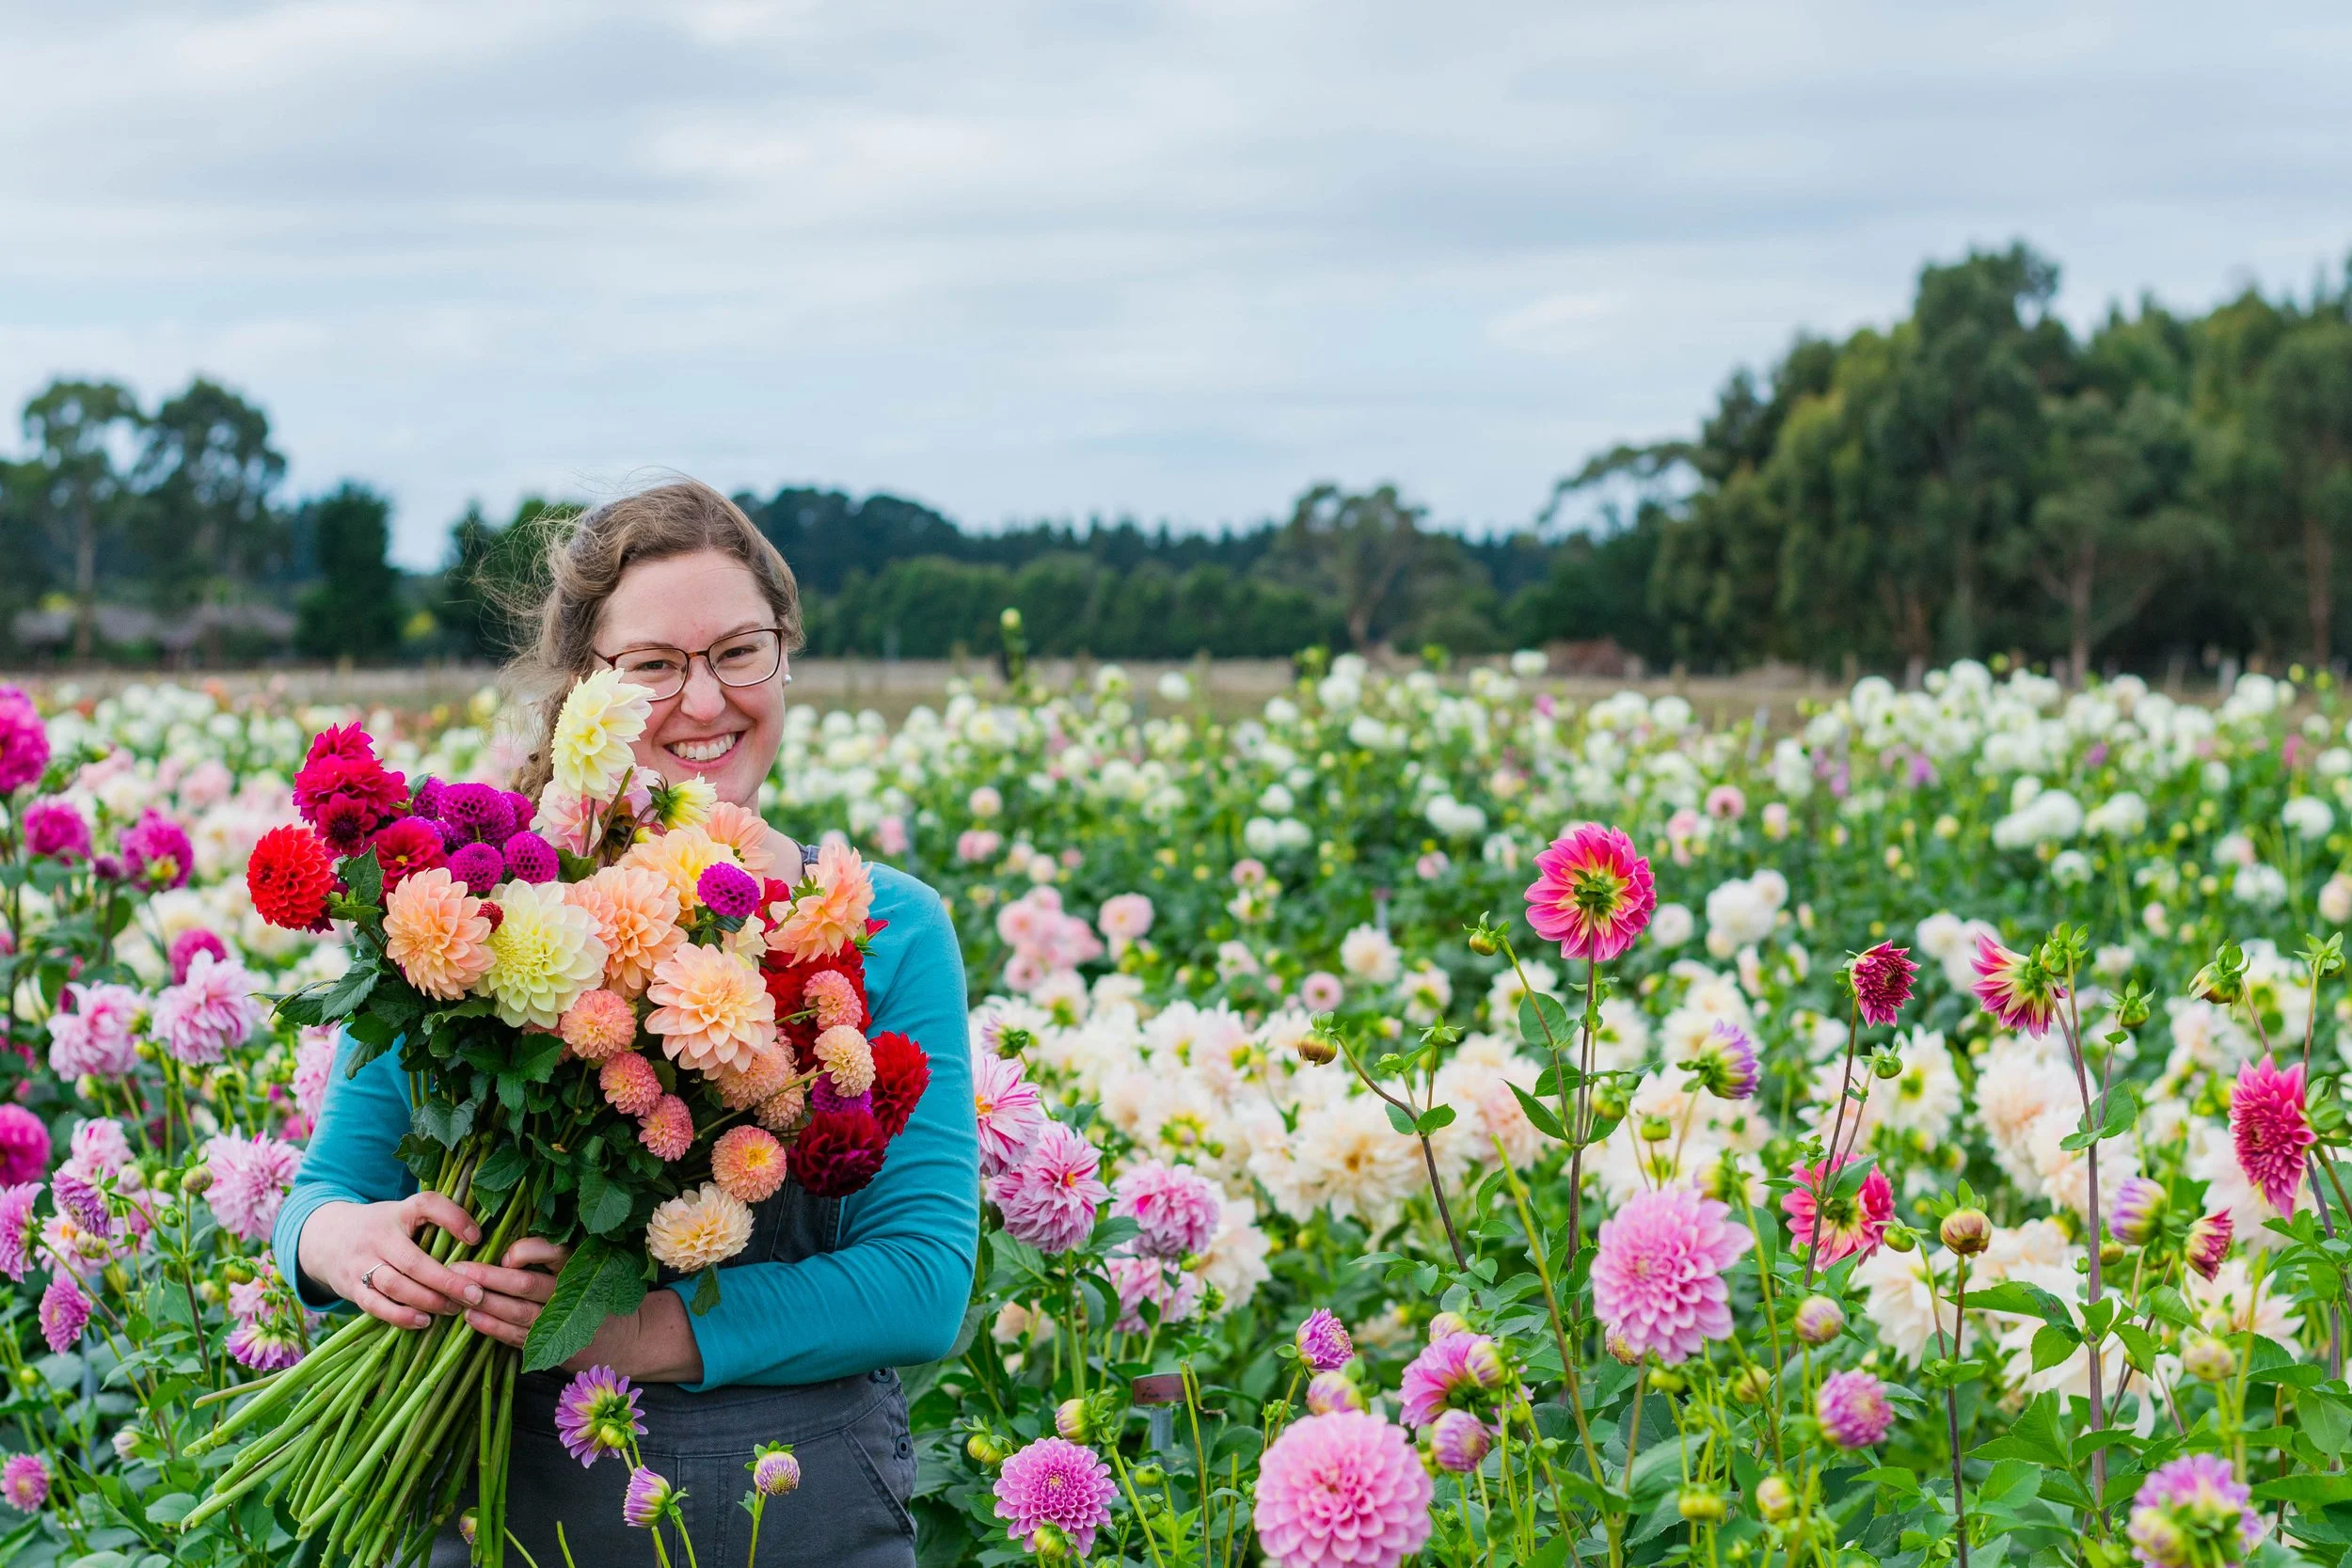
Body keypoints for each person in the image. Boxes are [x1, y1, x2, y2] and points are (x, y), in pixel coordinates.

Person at [272, 481, 978, 1564]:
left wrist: (636, 1331)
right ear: (583, 690)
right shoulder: (483, 914)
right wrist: (335, 1243)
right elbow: (328, 1188)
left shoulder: (888, 927)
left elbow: (923, 1283)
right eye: (653, 664)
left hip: (800, 1522)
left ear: (785, 655)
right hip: (509, 1514)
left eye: (741, 650)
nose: (704, 702)